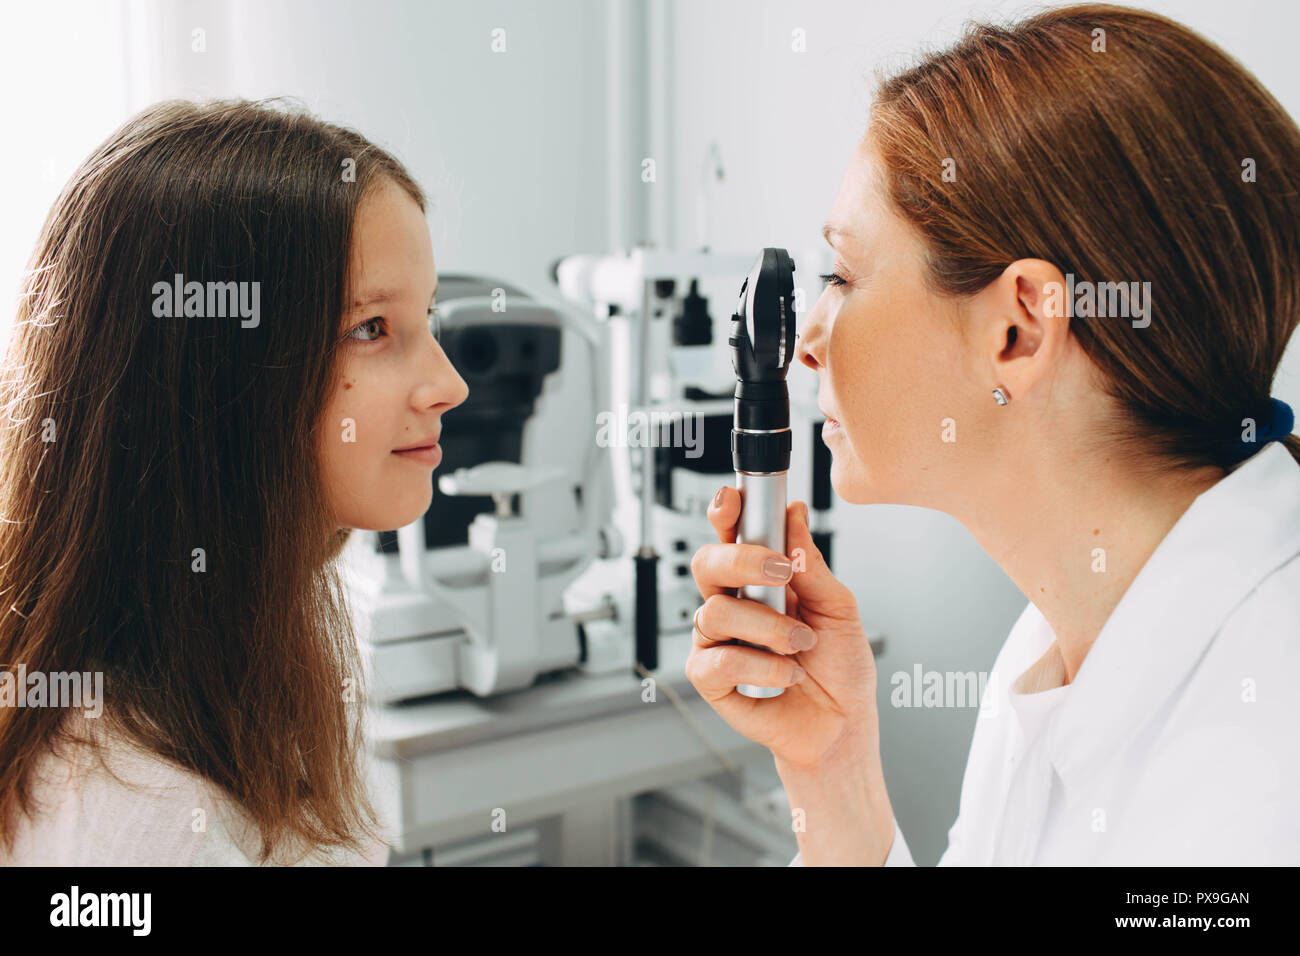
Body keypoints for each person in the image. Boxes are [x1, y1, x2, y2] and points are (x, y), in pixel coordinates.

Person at [688, 3, 1300, 865]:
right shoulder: (1052, 639)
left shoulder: (1266, 766)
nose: (811, 344)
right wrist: (833, 776)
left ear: (1018, 331)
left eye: (843, 275)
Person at [0, 98, 467, 865]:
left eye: (427, 317)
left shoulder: (255, 667)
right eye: (370, 328)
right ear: (213, 384)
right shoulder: (157, 825)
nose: (448, 385)